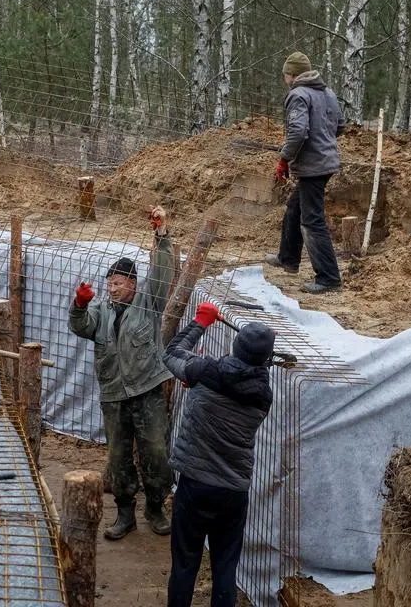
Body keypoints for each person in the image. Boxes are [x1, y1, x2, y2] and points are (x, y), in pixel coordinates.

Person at [69, 206, 175, 540]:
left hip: (147, 390)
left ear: (132, 283)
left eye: (118, 283)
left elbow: (162, 273)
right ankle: (125, 513)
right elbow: (80, 327)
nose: (111, 289)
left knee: (155, 451)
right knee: (117, 457)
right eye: (108, 284)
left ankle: (156, 508)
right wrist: (80, 304)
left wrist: (161, 237)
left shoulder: (148, 302)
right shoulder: (100, 309)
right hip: (114, 395)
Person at [161, 301, 276, 607]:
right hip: (233, 492)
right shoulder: (264, 396)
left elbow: (171, 354)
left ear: (234, 346)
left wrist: (201, 322)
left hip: (195, 485)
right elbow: (241, 377)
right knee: (226, 568)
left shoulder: (206, 371)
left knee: (185, 563)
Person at [264, 50, 346, 293]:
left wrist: (284, 159)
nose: (285, 79)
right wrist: (323, 140)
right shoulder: (328, 93)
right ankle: (288, 258)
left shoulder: (297, 94)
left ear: (291, 74)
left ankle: (329, 278)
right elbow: (340, 126)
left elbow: (298, 131)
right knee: (294, 208)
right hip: (325, 161)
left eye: (285, 75)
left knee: (312, 222)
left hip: (313, 166)